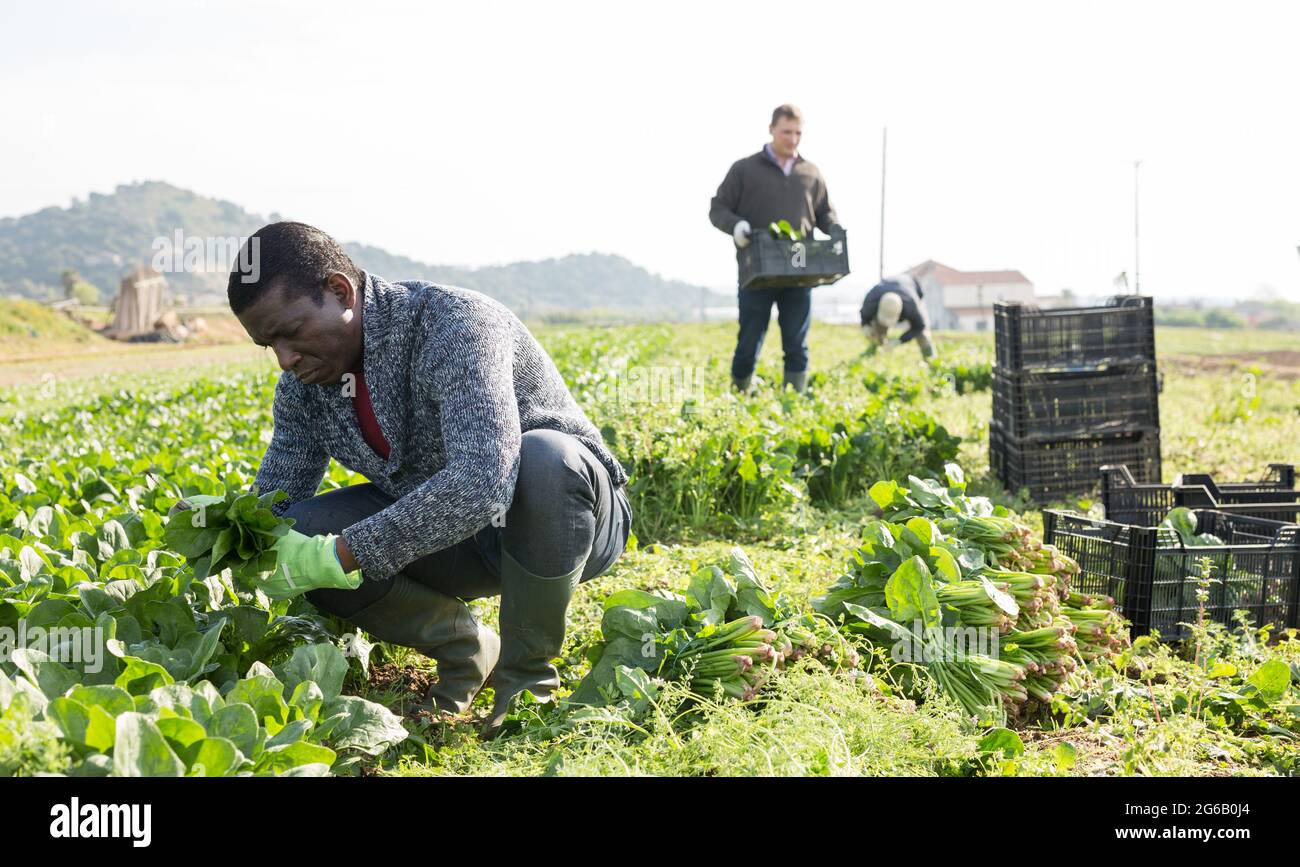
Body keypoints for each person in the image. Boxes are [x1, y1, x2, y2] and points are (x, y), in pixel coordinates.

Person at [175, 221, 631, 739]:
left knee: (545, 456)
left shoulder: (454, 324)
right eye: (268, 346)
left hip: (569, 521)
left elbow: (485, 480)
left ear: (339, 290)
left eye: (292, 332)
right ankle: (467, 646)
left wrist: (347, 554)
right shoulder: (304, 387)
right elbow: (278, 500)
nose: (285, 358)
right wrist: (225, 529)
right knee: (301, 530)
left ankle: (527, 683)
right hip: (461, 539)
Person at [709, 103, 845, 393]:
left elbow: (823, 213)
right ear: (771, 129)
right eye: (786, 132)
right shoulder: (745, 169)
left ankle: (792, 402)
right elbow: (717, 208)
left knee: (797, 343)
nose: (793, 139)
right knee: (749, 340)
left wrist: (833, 228)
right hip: (756, 270)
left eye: (798, 133)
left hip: (799, 270)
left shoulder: (811, 173)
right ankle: (739, 394)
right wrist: (736, 226)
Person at [859, 273, 935, 359]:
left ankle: (931, 359)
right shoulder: (871, 300)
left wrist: (898, 341)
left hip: (911, 288)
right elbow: (864, 315)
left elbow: (919, 327)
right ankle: (876, 352)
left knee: (923, 334)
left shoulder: (912, 305)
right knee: (877, 331)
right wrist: (865, 326)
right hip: (886, 288)